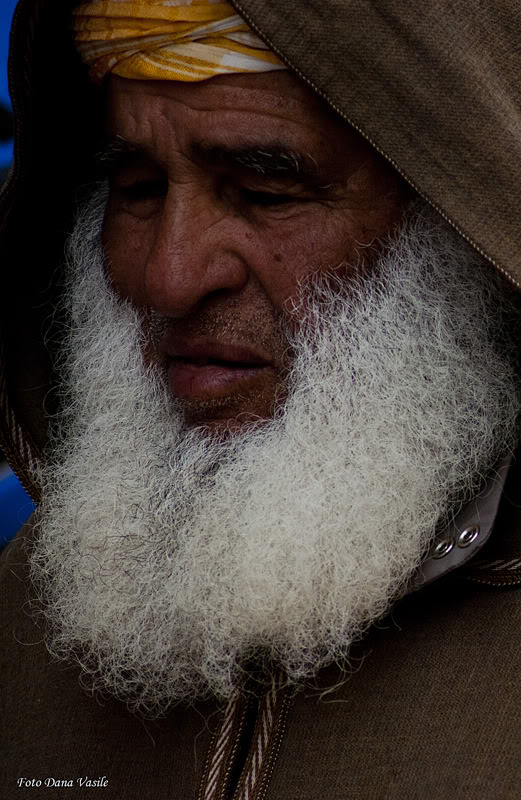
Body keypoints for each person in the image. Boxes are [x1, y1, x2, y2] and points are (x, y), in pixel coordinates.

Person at [1, 1, 521, 797]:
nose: (169, 278)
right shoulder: (34, 609)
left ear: (461, 221)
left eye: (266, 194)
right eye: (137, 188)